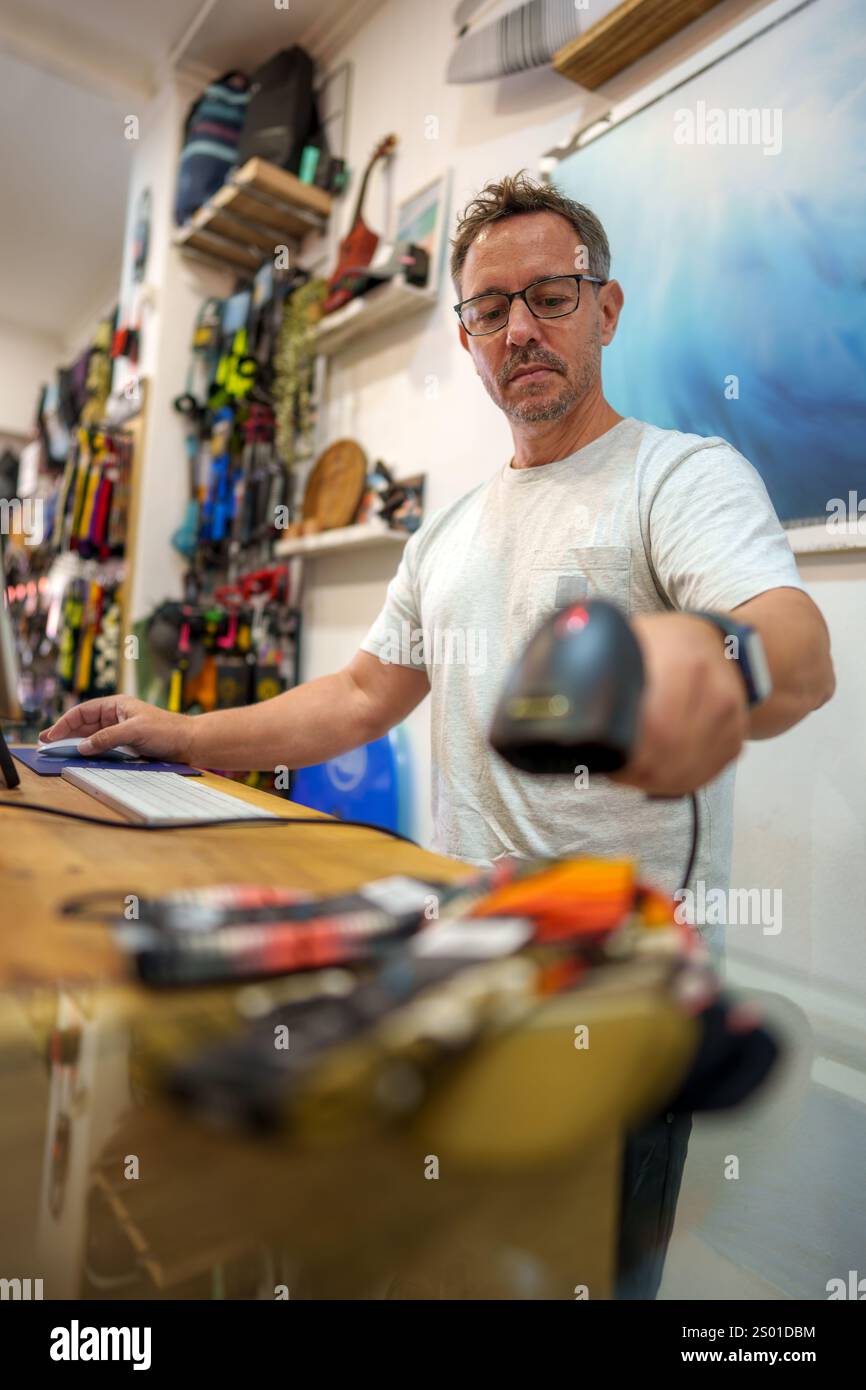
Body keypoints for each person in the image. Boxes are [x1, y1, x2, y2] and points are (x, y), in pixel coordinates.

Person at [42, 172, 835, 1298]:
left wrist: (722, 657)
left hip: (614, 983)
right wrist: (178, 732)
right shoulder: (446, 530)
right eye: (488, 308)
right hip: (457, 956)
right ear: (463, 336)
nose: (520, 328)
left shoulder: (679, 476)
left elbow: (798, 648)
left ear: (604, 309)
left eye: (550, 296)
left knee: (590, 1275)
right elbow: (362, 696)